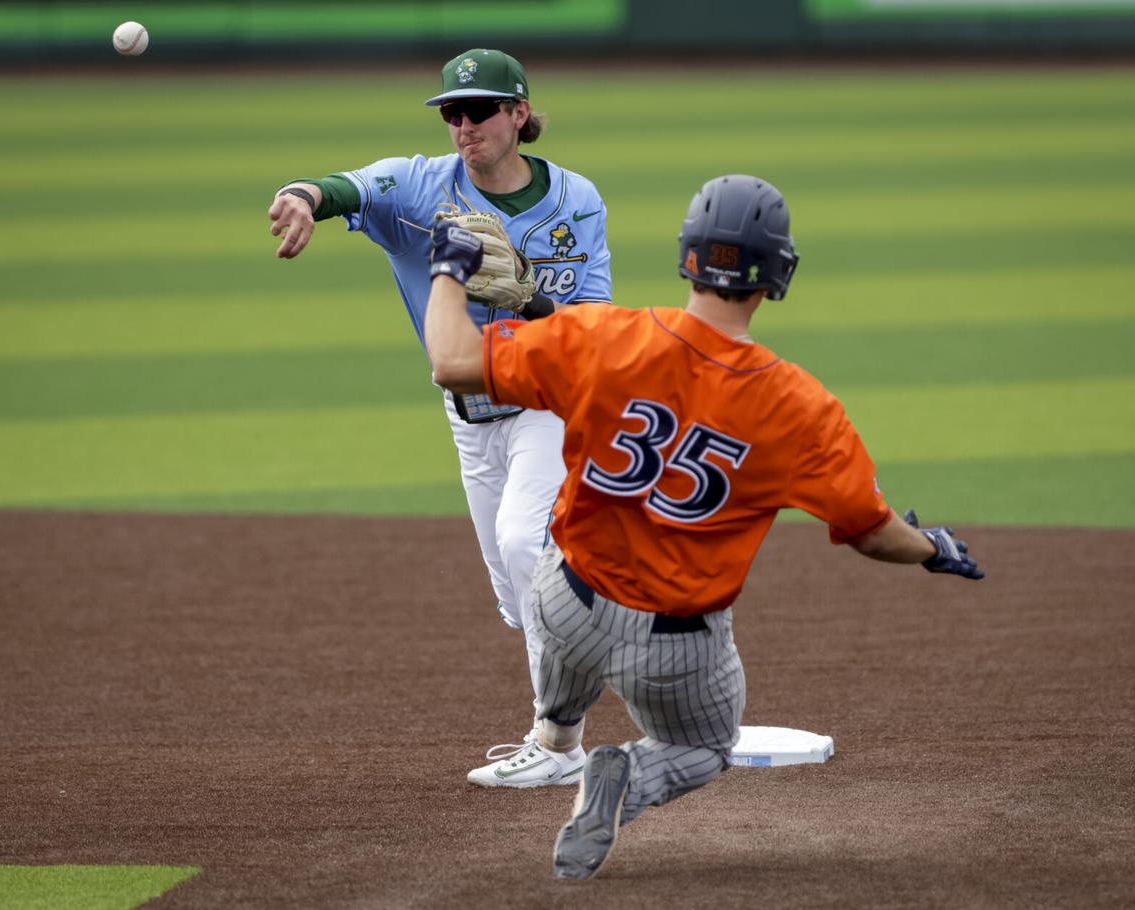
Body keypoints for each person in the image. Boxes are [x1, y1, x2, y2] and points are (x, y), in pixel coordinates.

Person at [422, 174, 984, 879]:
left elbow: (452, 361)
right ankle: (625, 776)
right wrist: (931, 547)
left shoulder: (602, 337)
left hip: (569, 600)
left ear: (688, 256)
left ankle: (556, 733)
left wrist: (448, 269)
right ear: (777, 276)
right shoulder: (800, 407)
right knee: (703, 748)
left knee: (562, 617)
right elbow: (872, 530)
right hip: (674, 651)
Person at [266, 49, 611, 789]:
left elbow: (595, 327)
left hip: (547, 404)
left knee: (525, 545)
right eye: (452, 112)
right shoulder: (418, 187)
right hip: (470, 417)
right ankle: (582, 649)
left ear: (519, 114)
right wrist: (298, 197)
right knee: (516, 596)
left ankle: (559, 743)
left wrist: (529, 301)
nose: (464, 125)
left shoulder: (576, 199)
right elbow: (343, 188)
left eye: (480, 110)